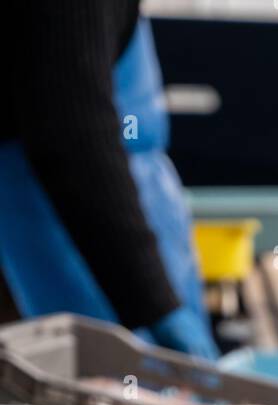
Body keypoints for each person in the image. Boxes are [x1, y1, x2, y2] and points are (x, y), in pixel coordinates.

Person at [0, 1, 216, 358]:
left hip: (124, 215)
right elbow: (73, 134)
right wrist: (157, 305)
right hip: (83, 248)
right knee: (122, 396)